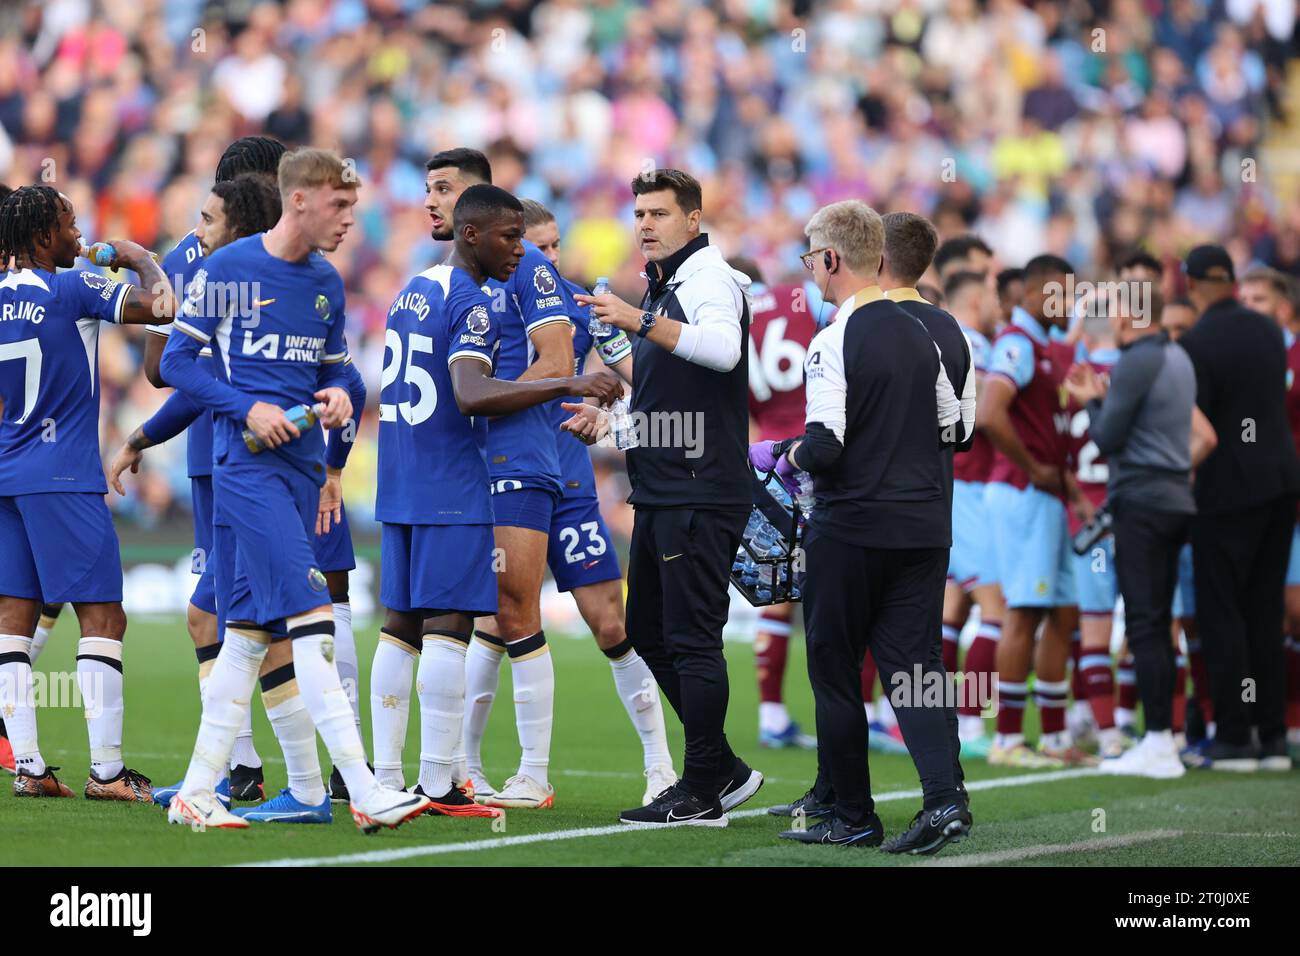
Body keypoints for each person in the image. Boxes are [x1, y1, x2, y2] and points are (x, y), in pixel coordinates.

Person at [161, 147, 430, 831]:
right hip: (246, 472)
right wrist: (244, 407)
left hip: (302, 474)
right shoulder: (229, 270)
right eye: (340, 205)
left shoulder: (325, 283)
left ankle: (197, 790)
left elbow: (340, 373)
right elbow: (175, 362)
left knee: (247, 633)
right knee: (311, 621)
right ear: (300, 200)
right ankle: (365, 790)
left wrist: (340, 400)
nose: (350, 220)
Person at [108, 172, 371, 824]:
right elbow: (186, 377)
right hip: (231, 469)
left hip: (284, 474)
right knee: (232, 623)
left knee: (296, 619)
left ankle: (337, 781)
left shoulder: (295, 282)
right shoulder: (224, 279)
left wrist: (334, 455)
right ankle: (241, 778)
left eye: (209, 217)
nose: (197, 231)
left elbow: (343, 377)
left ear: (245, 219)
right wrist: (143, 433)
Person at [373, 184, 620, 817]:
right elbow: (470, 395)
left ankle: (386, 775)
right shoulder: (473, 303)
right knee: (453, 624)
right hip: (455, 484)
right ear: (473, 234)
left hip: (400, 476)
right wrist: (570, 381)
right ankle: (439, 782)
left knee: (400, 626)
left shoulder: (413, 288)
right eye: (512, 238)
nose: (524, 252)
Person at [759, 200, 968, 852]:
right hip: (925, 527)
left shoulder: (833, 337)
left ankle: (851, 814)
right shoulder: (924, 332)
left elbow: (824, 444)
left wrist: (779, 454)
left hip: (852, 528)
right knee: (915, 670)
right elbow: (954, 428)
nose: (807, 268)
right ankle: (945, 799)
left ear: (830, 259)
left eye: (809, 255)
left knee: (836, 668)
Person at [562, 167, 763, 827]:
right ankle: (723, 769)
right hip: (666, 487)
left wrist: (639, 321)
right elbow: (670, 398)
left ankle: (702, 788)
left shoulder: (707, 279)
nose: (645, 223)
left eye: (659, 213)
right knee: (648, 630)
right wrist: (613, 423)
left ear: (694, 220)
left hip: (699, 489)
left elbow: (724, 353)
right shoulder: (668, 286)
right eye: (639, 213)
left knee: (692, 637)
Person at [395, 148, 573, 810]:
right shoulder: (445, 280)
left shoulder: (523, 263)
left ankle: (534, 770)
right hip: (464, 467)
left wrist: (485, 412)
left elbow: (556, 358)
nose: (430, 202)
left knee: (511, 605)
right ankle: (451, 765)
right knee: (454, 609)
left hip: (515, 457)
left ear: (476, 203)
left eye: (442, 189)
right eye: (427, 187)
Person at [0, 184, 174, 801]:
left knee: (10, 623)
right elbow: (162, 307)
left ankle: (30, 766)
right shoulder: (73, 286)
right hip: (63, 475)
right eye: (71, 225)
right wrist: (138, 257)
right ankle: (106, 774)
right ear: (44, 236)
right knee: (104, 617)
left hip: (7, 475)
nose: (80, 235)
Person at [137, 136, 288, 803]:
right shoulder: (289, 257)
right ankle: (260, 771)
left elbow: (158, 370)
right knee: (253, 613)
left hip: (228, 455)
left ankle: (274, 772)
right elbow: (160, 371)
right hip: (234, 455)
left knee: (250, 615)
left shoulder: (187, 258)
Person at [517, 199, 676, 803]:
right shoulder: (482, 305)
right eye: (540, 247)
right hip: (505, 481)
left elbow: (630, 380)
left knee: (611, 622)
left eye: (558, 245)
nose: (553, 259)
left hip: (569, 480)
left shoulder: (582, 305)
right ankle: (491, 771)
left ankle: (660, 766)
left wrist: (602, 412)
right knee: (493, 622)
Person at [1064, 281, 1206, 778]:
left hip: (1142, 501)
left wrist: (1092, 399)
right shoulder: (1177, 357)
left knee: (1145, 625)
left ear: (1136, 314)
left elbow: (1107, 437)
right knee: (1157, 623)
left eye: (1119, 309)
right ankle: (1163, 737)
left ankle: (1159, 742)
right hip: (1173, 499)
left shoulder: (1139, 360)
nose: (1112, 318)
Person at [1178, 245, 1300, 772]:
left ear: (1191, 285)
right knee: (1264, 610)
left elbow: (1198, 427)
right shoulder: (1268, 331)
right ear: (1230, 280)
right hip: (1280, 484)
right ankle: (1271, 737)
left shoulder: (1198, 341)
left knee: (1222, 613)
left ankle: (1234, 736)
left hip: (1226, 492)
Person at [978, 254, 1092, 768]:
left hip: (1046, 495)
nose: (1070, 305)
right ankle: (1006, 739)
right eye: (1064, 295)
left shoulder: (1044, 348)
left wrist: (1063, 481)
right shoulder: (1018, 345)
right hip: (1023, 493)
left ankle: (1053, 736)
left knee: (1064, 613)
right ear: (1039, 294)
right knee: (1023, 611)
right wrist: (1033, 467)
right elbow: (989, 412)